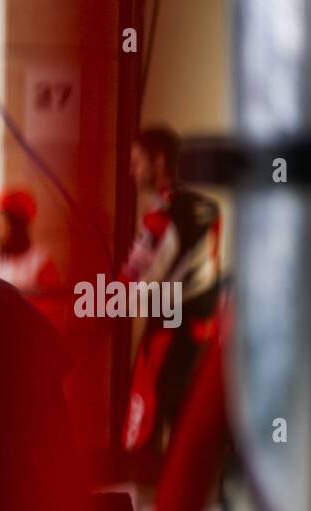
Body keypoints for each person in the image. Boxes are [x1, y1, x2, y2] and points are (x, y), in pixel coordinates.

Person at [120, 126, 221, 456]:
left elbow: (132, 280)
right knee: (187, 433)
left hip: (167, 337)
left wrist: (90, 311)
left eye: (136, 162)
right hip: (202, 338)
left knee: (143, 433)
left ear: (159, 161)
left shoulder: (161, 218)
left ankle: (144, 504)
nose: (131, 171)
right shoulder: (209, 209)